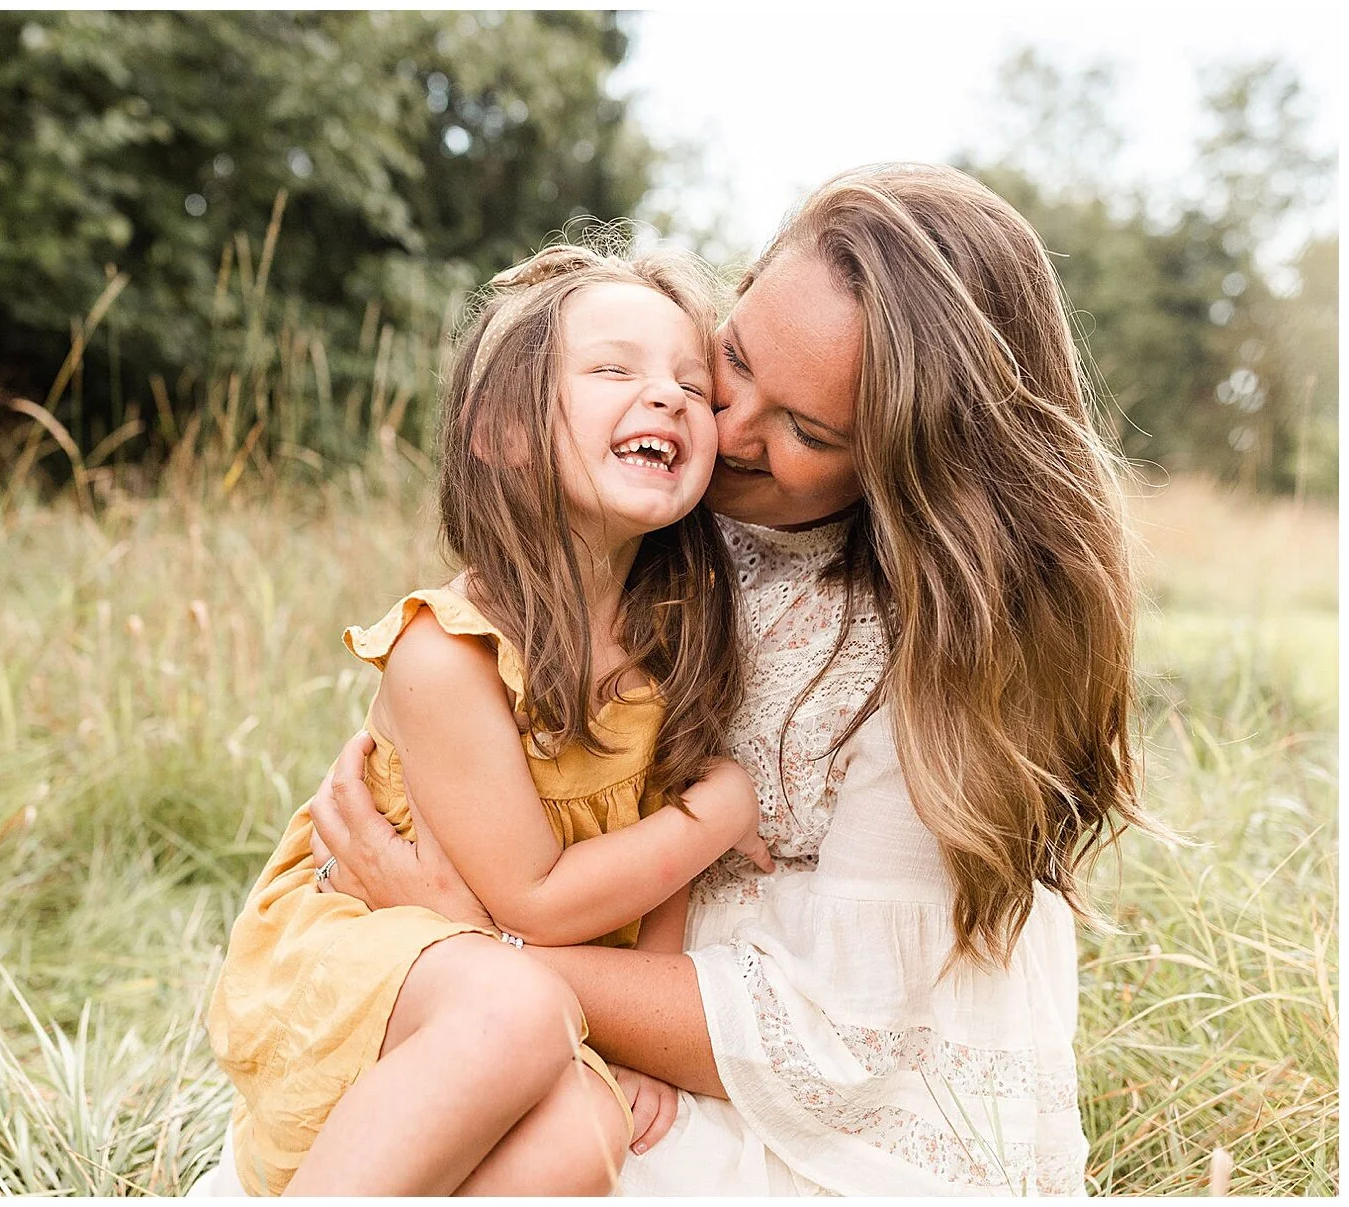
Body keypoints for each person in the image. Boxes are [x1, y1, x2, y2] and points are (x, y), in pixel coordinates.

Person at [299, 163, 1159, 1195]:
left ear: (905, 466)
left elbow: (836, 1044)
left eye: (809, 430)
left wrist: (478, 941)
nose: (732, 428)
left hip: (808, 1073)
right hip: (575, 986)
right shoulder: (651, 514)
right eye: (734, 361)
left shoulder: (939, 647)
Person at [203, 242, 779, 1196]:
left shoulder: (674, 636)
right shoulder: (450, 653)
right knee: (516, 1010)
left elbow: (651, 875)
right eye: (613, 369)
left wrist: (650, 1042)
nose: (672, 396)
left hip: (514, 978)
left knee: (586, 1133)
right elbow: (539, 896)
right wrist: (717, 815)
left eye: (690, 382)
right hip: (380, 950)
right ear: (504, 429)